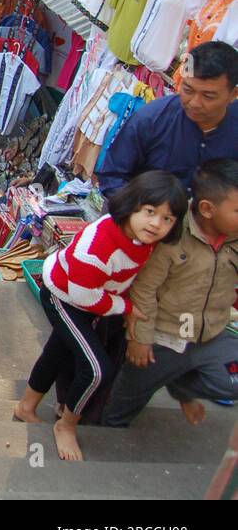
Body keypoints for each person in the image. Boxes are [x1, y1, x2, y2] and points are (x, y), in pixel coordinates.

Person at [13, 171, 188, 462]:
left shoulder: (146, 239)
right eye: (150, 212)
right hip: (65, 296)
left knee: (57, 352)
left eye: (167, 218)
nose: (157, 224)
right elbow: (84, 296)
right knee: (97, 369)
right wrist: (127, 309)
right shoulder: (97, 245)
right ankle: (66, 425)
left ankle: (26, 407)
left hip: (90, 297)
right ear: (132, 206)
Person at [102, 158, 238, 429]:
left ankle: (181, 385)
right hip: (160, 339)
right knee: (120, 410)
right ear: (207, 209)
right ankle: (105, 439)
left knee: (232, 384)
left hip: (211, 335)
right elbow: (144, 290)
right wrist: (139, 339)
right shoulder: (172, 233)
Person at [97, 41, 238, 195]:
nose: (195, 103)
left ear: (233, 95)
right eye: (188, 89)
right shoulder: (151, 119)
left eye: (208, 96)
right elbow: (112, 177)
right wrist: (140, 212)